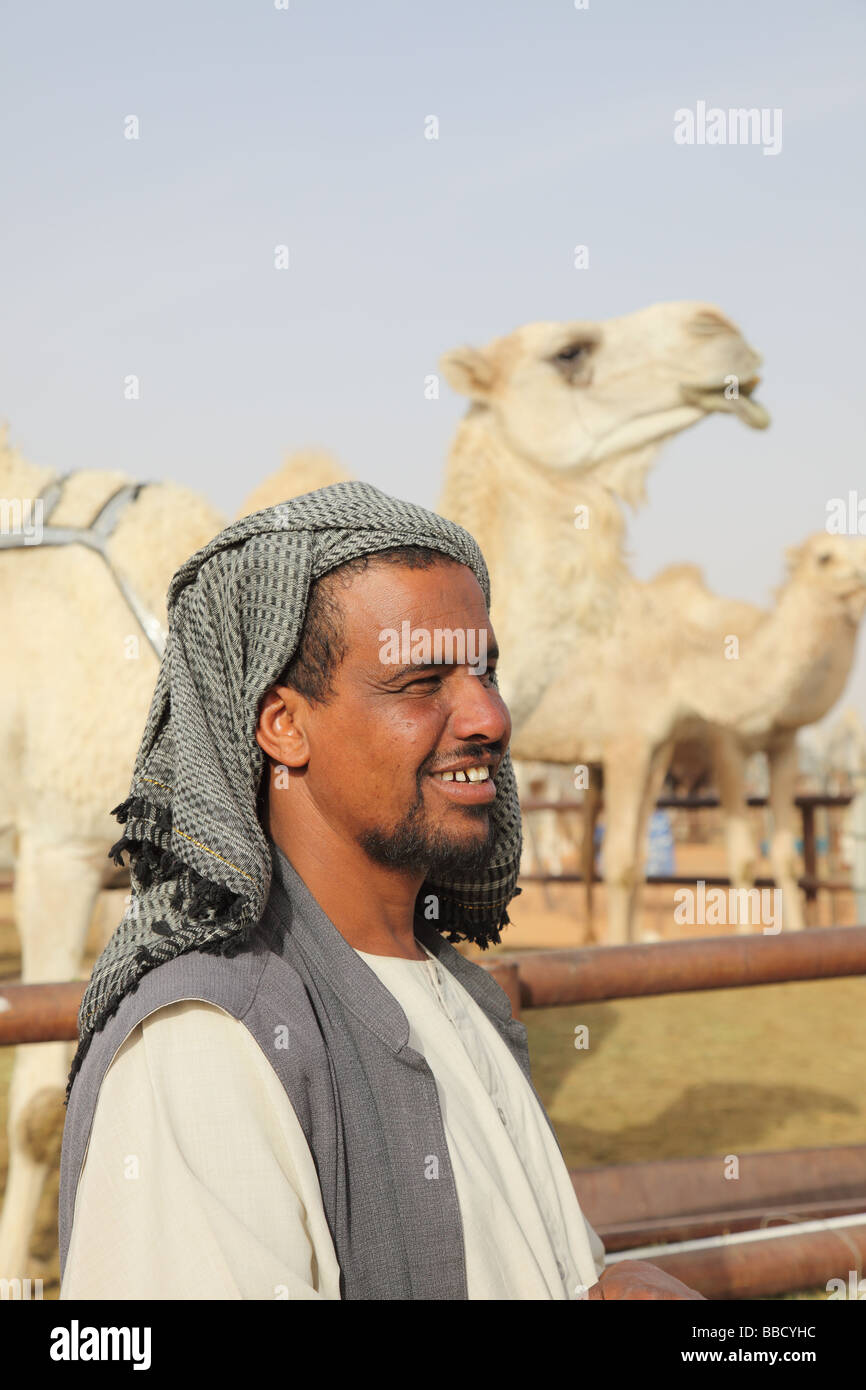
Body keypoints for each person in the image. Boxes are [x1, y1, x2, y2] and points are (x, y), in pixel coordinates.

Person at [58, 481, 702, 1301]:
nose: (488, 717)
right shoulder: (206, 1044)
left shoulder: (461, 995)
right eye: (421, 681)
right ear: (283, 724)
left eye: (485, 671)